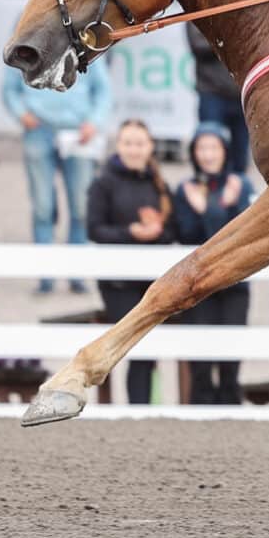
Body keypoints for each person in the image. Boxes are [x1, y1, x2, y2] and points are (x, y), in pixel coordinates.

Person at [87, 120, 177, 404]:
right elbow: (95, 229)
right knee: (131, 345)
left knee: (147, 353)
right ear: (119, 146)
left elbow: (174, 231)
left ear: (149, 147)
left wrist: (156, 232)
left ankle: (143, 407)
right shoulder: (103, 183)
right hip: (118, 281)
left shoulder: (159, 184)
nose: (134, 150)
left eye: (139, 143)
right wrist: (131, 233)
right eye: (128, 143)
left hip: (151, 281)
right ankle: (131, 409)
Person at [3, 57, 110, 291]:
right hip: (39, 130)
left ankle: (76, 275)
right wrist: (21, 113)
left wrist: (94, 122)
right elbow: (9, 87)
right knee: (42, 207)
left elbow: (103, 89)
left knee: (81, 208)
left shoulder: (84, 46)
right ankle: (46, 275)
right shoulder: (32, 44)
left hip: (77, 132)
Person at [173, 122, 252, 405]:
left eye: (213, 147)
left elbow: (246, 237)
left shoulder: (241, 186)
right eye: (201, 148)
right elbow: (187, 235)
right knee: (201, 364)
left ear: (224, 151)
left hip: (234, 283)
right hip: (198, 284)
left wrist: (220, 208)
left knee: (231, 360)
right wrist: (208, 211)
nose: (207, 155)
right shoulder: (184, 190)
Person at [187, 22, 248, 173]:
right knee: (208, 149)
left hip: (240, 94)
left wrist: (226, 39)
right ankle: (204, 189)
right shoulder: (198, 11)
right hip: (212, 93)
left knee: (241, 153)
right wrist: (232, 37)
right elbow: (198, 46)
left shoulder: (238, 10)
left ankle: (238, 192)